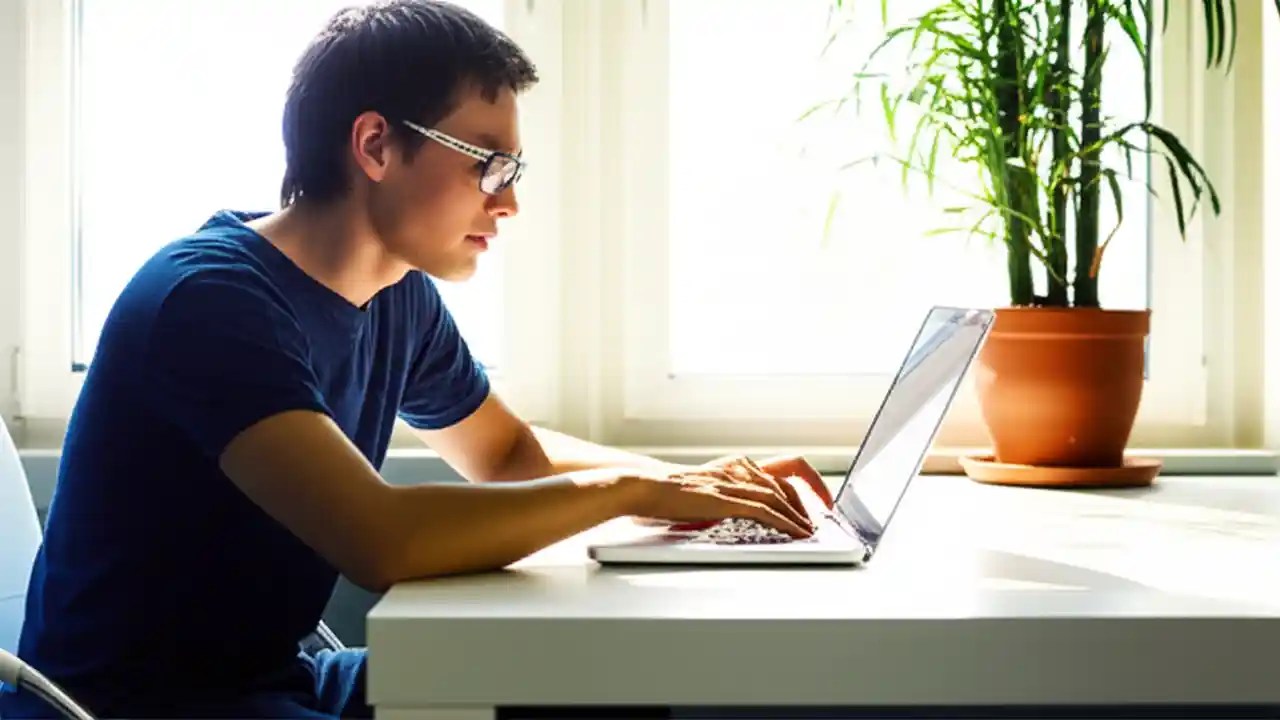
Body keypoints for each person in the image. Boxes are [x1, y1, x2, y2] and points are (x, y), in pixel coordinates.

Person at [0, 1, 832, 718]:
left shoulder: (396, 294)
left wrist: (695, 485)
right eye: (489, 164)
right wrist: (633, 492)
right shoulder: (208, 303)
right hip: (139, 707)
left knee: (588, 680)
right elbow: (381, 540)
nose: (509, 201)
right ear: (374, 145)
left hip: (275, 683)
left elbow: (505, 453)